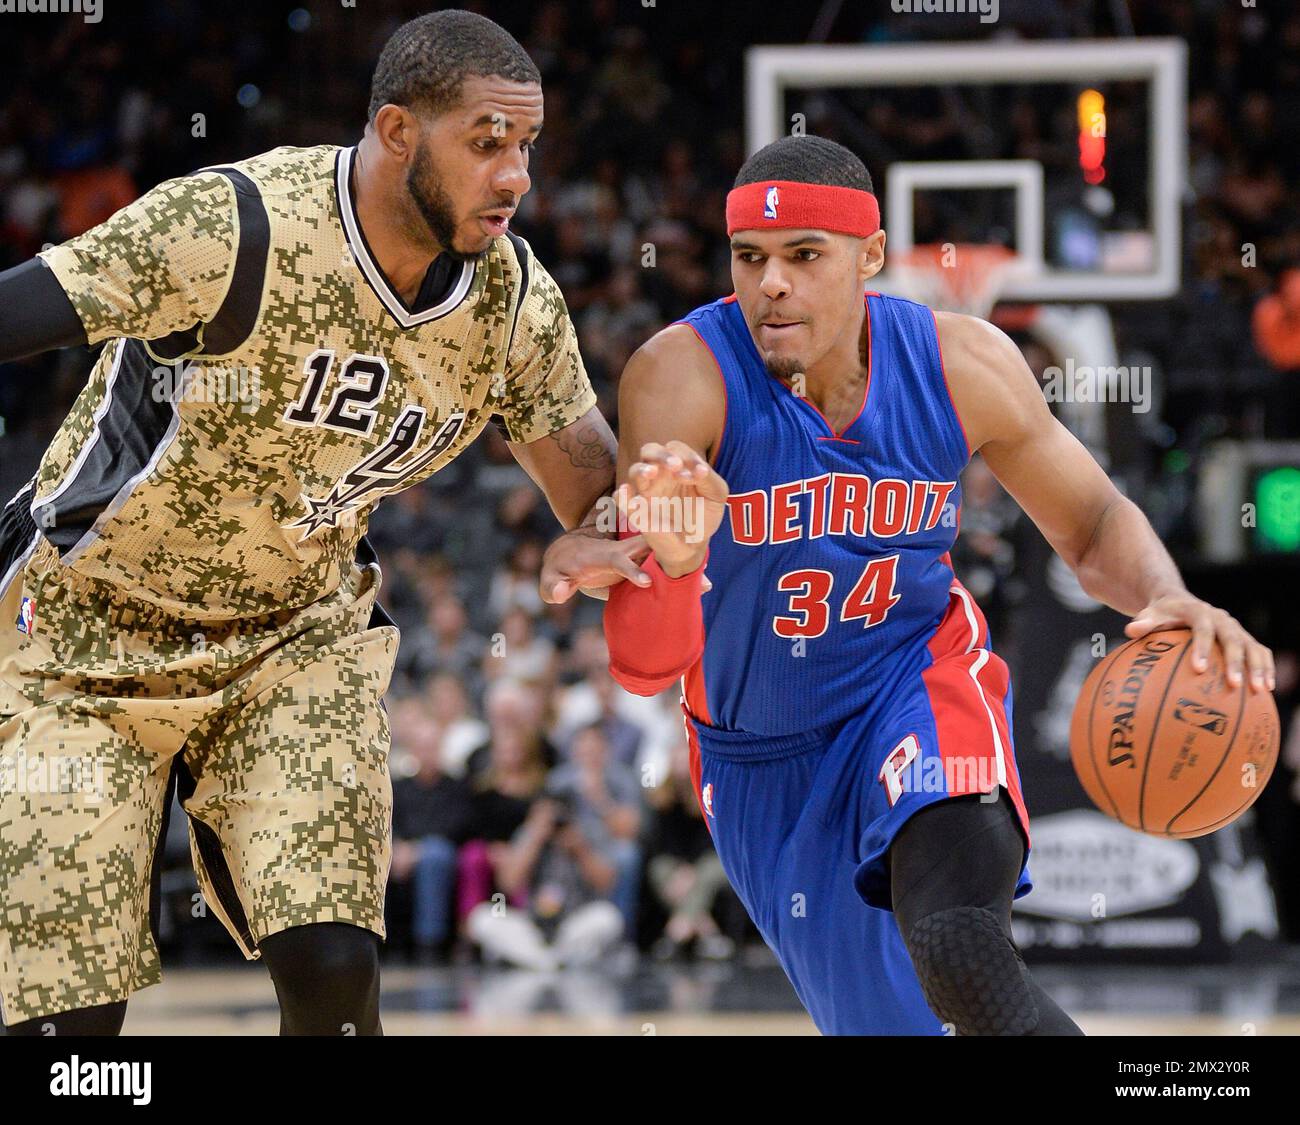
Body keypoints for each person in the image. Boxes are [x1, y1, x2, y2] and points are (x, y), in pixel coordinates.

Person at [0, 9, 643, 1037]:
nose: (517, 175)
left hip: (296, 641)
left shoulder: (513, 303)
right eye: (486, 143)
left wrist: (618, 521)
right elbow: (17, 311)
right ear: (397, 132)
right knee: (65, 1031)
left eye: (526, 146)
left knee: (338, 976)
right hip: (84, 632)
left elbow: (597, 501)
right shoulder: (232, 224)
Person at [594, 134, 1276, 1035]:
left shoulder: (964, 364)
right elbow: (644, 668)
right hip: (761, 754)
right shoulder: (681, 376)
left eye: (805, 256)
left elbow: (1094, 523)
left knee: (958, 944)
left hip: (915, 684)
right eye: (751, 258)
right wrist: (676, 567)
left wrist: (1166, 592)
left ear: (871, 256)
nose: (772, 285)